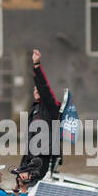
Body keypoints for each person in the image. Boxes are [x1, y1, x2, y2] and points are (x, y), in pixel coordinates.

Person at [17, 48, 61, 184]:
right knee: (20, 179)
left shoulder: (51, 107)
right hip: (31, 155)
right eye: (34, 89)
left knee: (34, 184)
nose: (36, 90)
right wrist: (22, 166)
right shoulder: (34, 108)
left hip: (44, 157)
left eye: (38, 89)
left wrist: (36, 65)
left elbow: (43, 87)